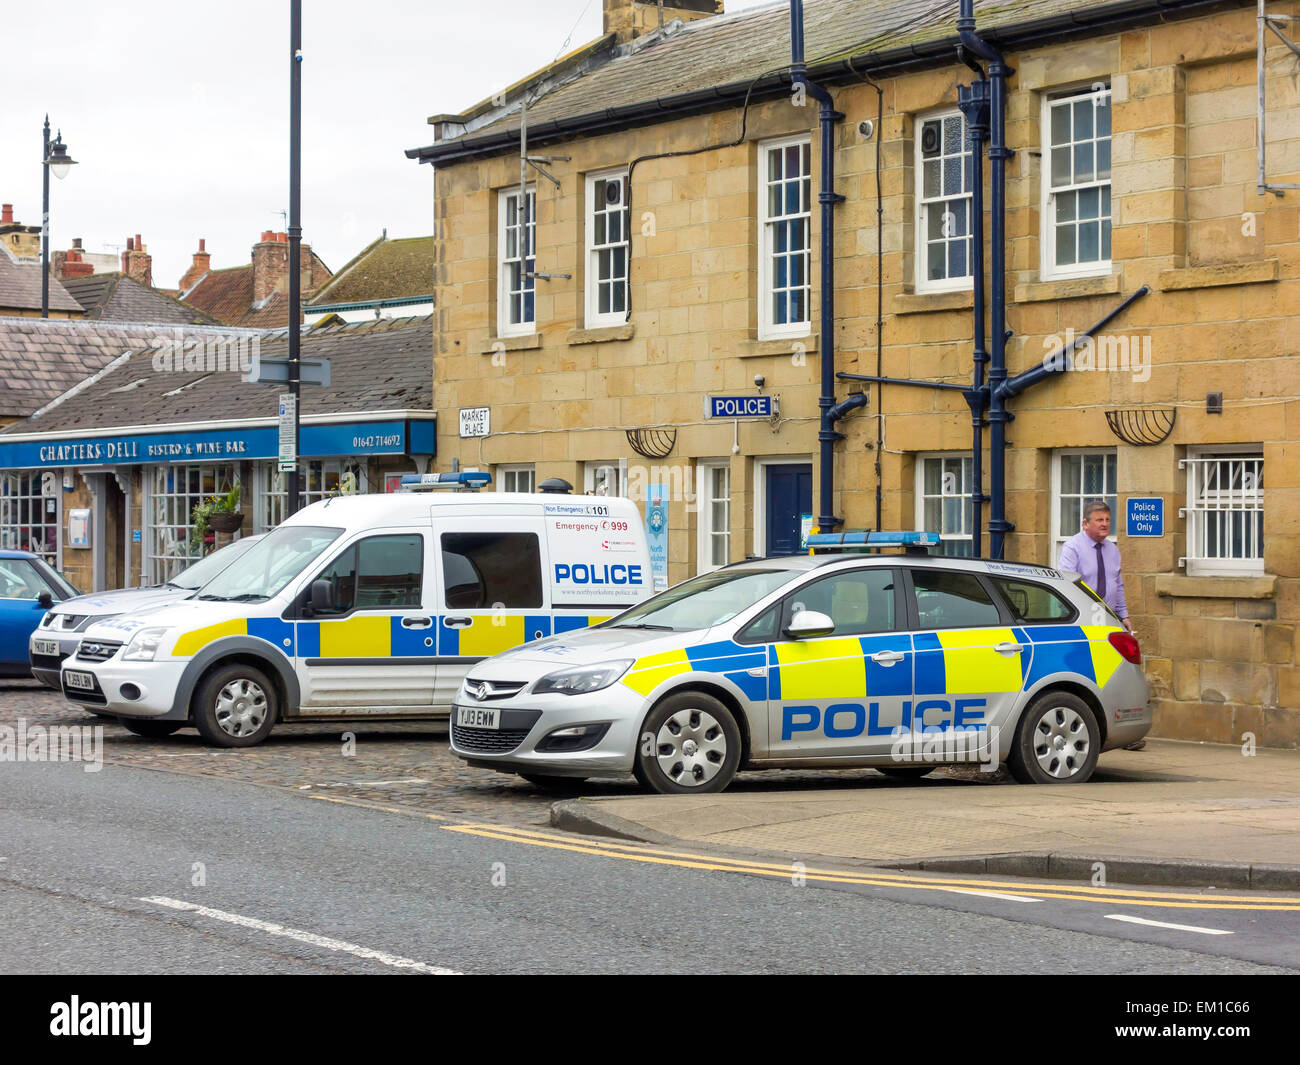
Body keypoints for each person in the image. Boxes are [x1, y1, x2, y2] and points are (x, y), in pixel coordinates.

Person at [1058, 500, 1144, 750]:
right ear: (1085, 523)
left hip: (1109, 617)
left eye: (1107, 520)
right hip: (1083, 618)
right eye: (1099, 520)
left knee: (1120, 674)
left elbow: (1118, 585)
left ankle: (1127, 733)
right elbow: (1066, 585)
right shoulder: (1073, 548)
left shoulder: (1112, 550)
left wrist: (1123, 615)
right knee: (1087, 675)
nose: (1105, 524)